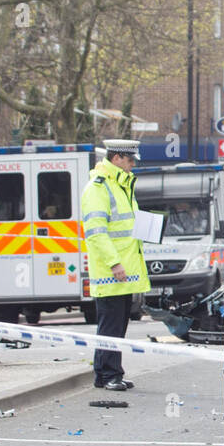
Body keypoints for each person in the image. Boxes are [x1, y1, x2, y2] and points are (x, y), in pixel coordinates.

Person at [83, 138, 150, 390]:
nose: (132, 166)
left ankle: (108, 373)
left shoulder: (120, 186)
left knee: (116, 326)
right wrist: (114, 263)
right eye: (130, 160)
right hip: (111, 272)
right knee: (110, 326)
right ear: (116, 159)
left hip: (123, 271)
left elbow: (125, 227)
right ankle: (109, 374)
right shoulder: (98, 188)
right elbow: (97, 233)